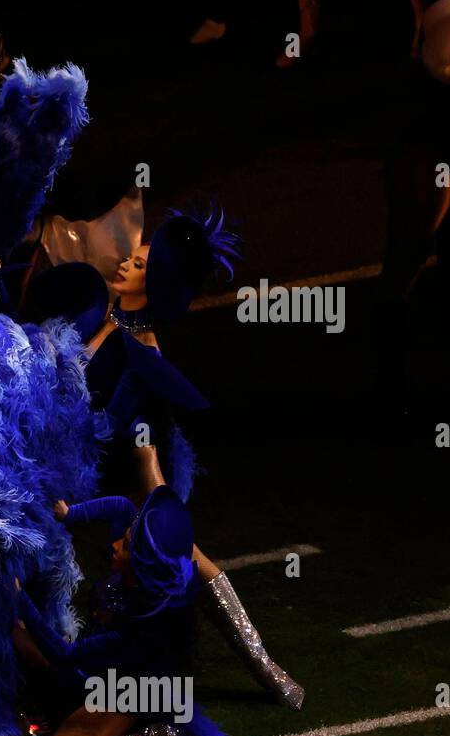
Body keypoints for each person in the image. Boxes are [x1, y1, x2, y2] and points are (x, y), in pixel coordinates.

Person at [28, 210, 304, 710]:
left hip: (113, 475)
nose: (124, 265)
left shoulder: (142, 357)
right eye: (131, 257)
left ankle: (262, 663)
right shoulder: (101, 316)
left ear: (155, 285)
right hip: (74, 466)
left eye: (137, 265)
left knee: (180, 556)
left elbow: (144, 449)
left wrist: (158, 508)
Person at [17, 486, 258, 736]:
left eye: (126, 544)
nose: (115, 543)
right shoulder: (140, 566)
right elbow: (121, 506)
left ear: (141, 567)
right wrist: (69, 514)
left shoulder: (141, 629)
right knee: (21, 636)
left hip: (129, 695)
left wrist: (18, 596)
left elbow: (66, 654)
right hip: (99, 675)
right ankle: (58, 708)